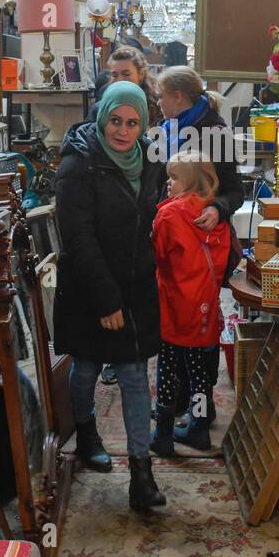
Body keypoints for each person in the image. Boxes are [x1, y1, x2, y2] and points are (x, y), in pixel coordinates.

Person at [52, 80, 167, 511]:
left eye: (132, 123)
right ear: (102, 118)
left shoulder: (151, 158)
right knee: (86, 368)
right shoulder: (77, 166)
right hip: (90, 287)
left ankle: (142, 475)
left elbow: (153, 215)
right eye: (115, 121)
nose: (123, 130)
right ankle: (86, 432)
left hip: (136, 287)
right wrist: (105, 301)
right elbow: (78, 239)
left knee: (135, 375)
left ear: (143, 124)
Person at [154, 66, 244, 422]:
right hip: (175, 244)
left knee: (201, 332)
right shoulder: (166, 129)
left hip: (204, 246)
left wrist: (217, 208)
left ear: (178, 97)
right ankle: (178, 403)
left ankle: (199, 409)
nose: (158, 103)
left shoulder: (215, 131)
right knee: (173, 330)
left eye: (161, 97)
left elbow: (235, 190)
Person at [150, 150, 230, 455]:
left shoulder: (170, 215)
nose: (168, 183)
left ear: (191, 180)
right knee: (199, 372)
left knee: (168, 368)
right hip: (205, 303)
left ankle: (163, 433)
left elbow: (156, 254)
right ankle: (198, 427)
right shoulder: (214, 216)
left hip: (176, 303)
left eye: (174, 177)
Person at [91, 45, 160, 388]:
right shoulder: (94, 140)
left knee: (134, 357)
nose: (123, 129)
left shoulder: (152, 139)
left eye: (125, 74)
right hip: (106, 254)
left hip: (139, 261)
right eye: (113, 74)